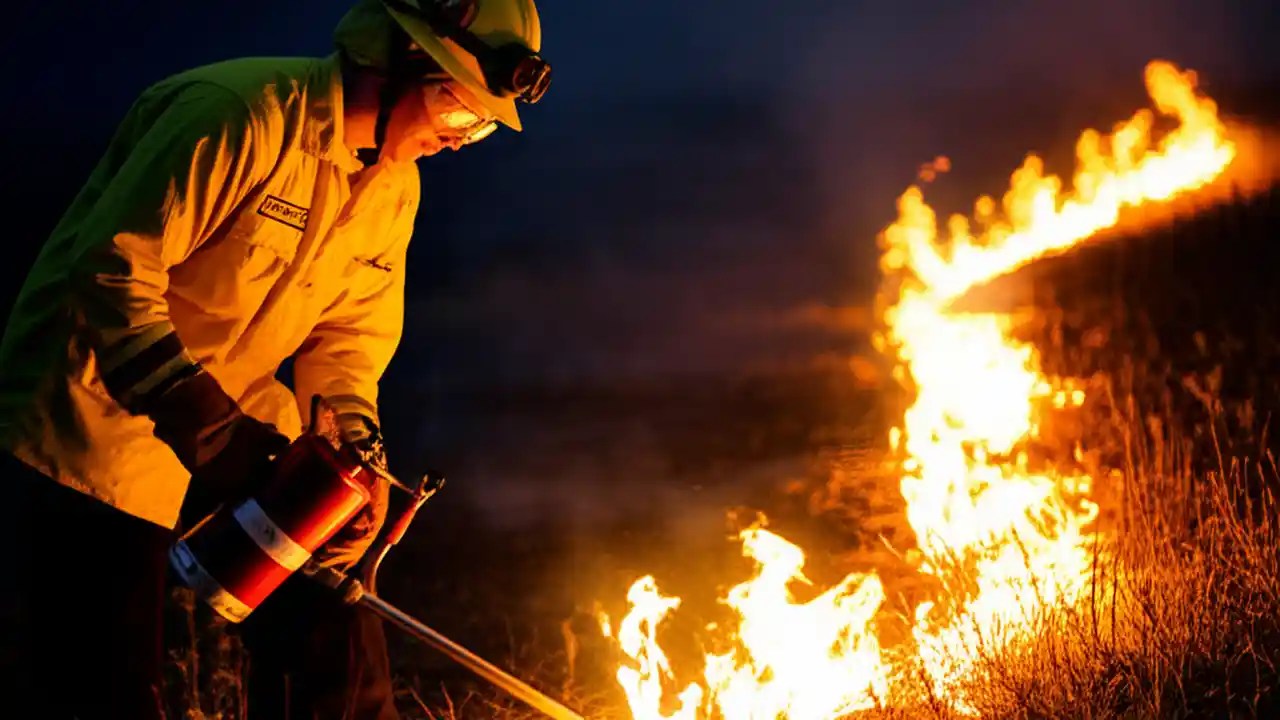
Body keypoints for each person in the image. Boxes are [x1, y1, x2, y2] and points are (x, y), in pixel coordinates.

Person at [0, 0, 549, 718]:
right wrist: (212, 430)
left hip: (233, 429)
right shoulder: (236, 115)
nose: (456, 139)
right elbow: (112, 274)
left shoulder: (393, 187)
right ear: (394, 61)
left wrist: (357, 459)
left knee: (337, 628)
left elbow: (349, 343)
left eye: (476, 130)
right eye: (456, 111)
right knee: (99, 684)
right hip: (87, 430)